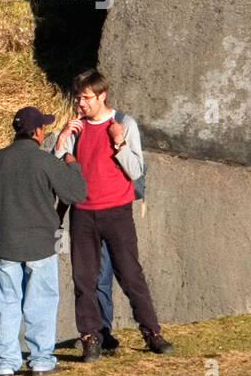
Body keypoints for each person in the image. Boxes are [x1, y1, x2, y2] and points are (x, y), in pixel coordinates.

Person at [52, 69, 174, 360]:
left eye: (85, 98)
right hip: (82, 213)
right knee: (84, 280)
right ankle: (91, 337)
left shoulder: (123, 123)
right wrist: (60, 143)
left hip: (117, 212)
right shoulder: (75, 128)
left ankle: (152, 333)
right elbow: (58, 172)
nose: (80, 104)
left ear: (101, 96)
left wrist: (119, 142)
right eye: (78, 99)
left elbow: (135, 170)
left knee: (130, 275)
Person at [0, 106, 88, 376]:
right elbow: (76, 193)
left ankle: (5, 363)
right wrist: (72, 163)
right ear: (38, 132)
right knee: (40, 302)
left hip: (5, 243)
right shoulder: (44, 161)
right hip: (41, 243)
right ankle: (40, 360)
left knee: (7, 304)